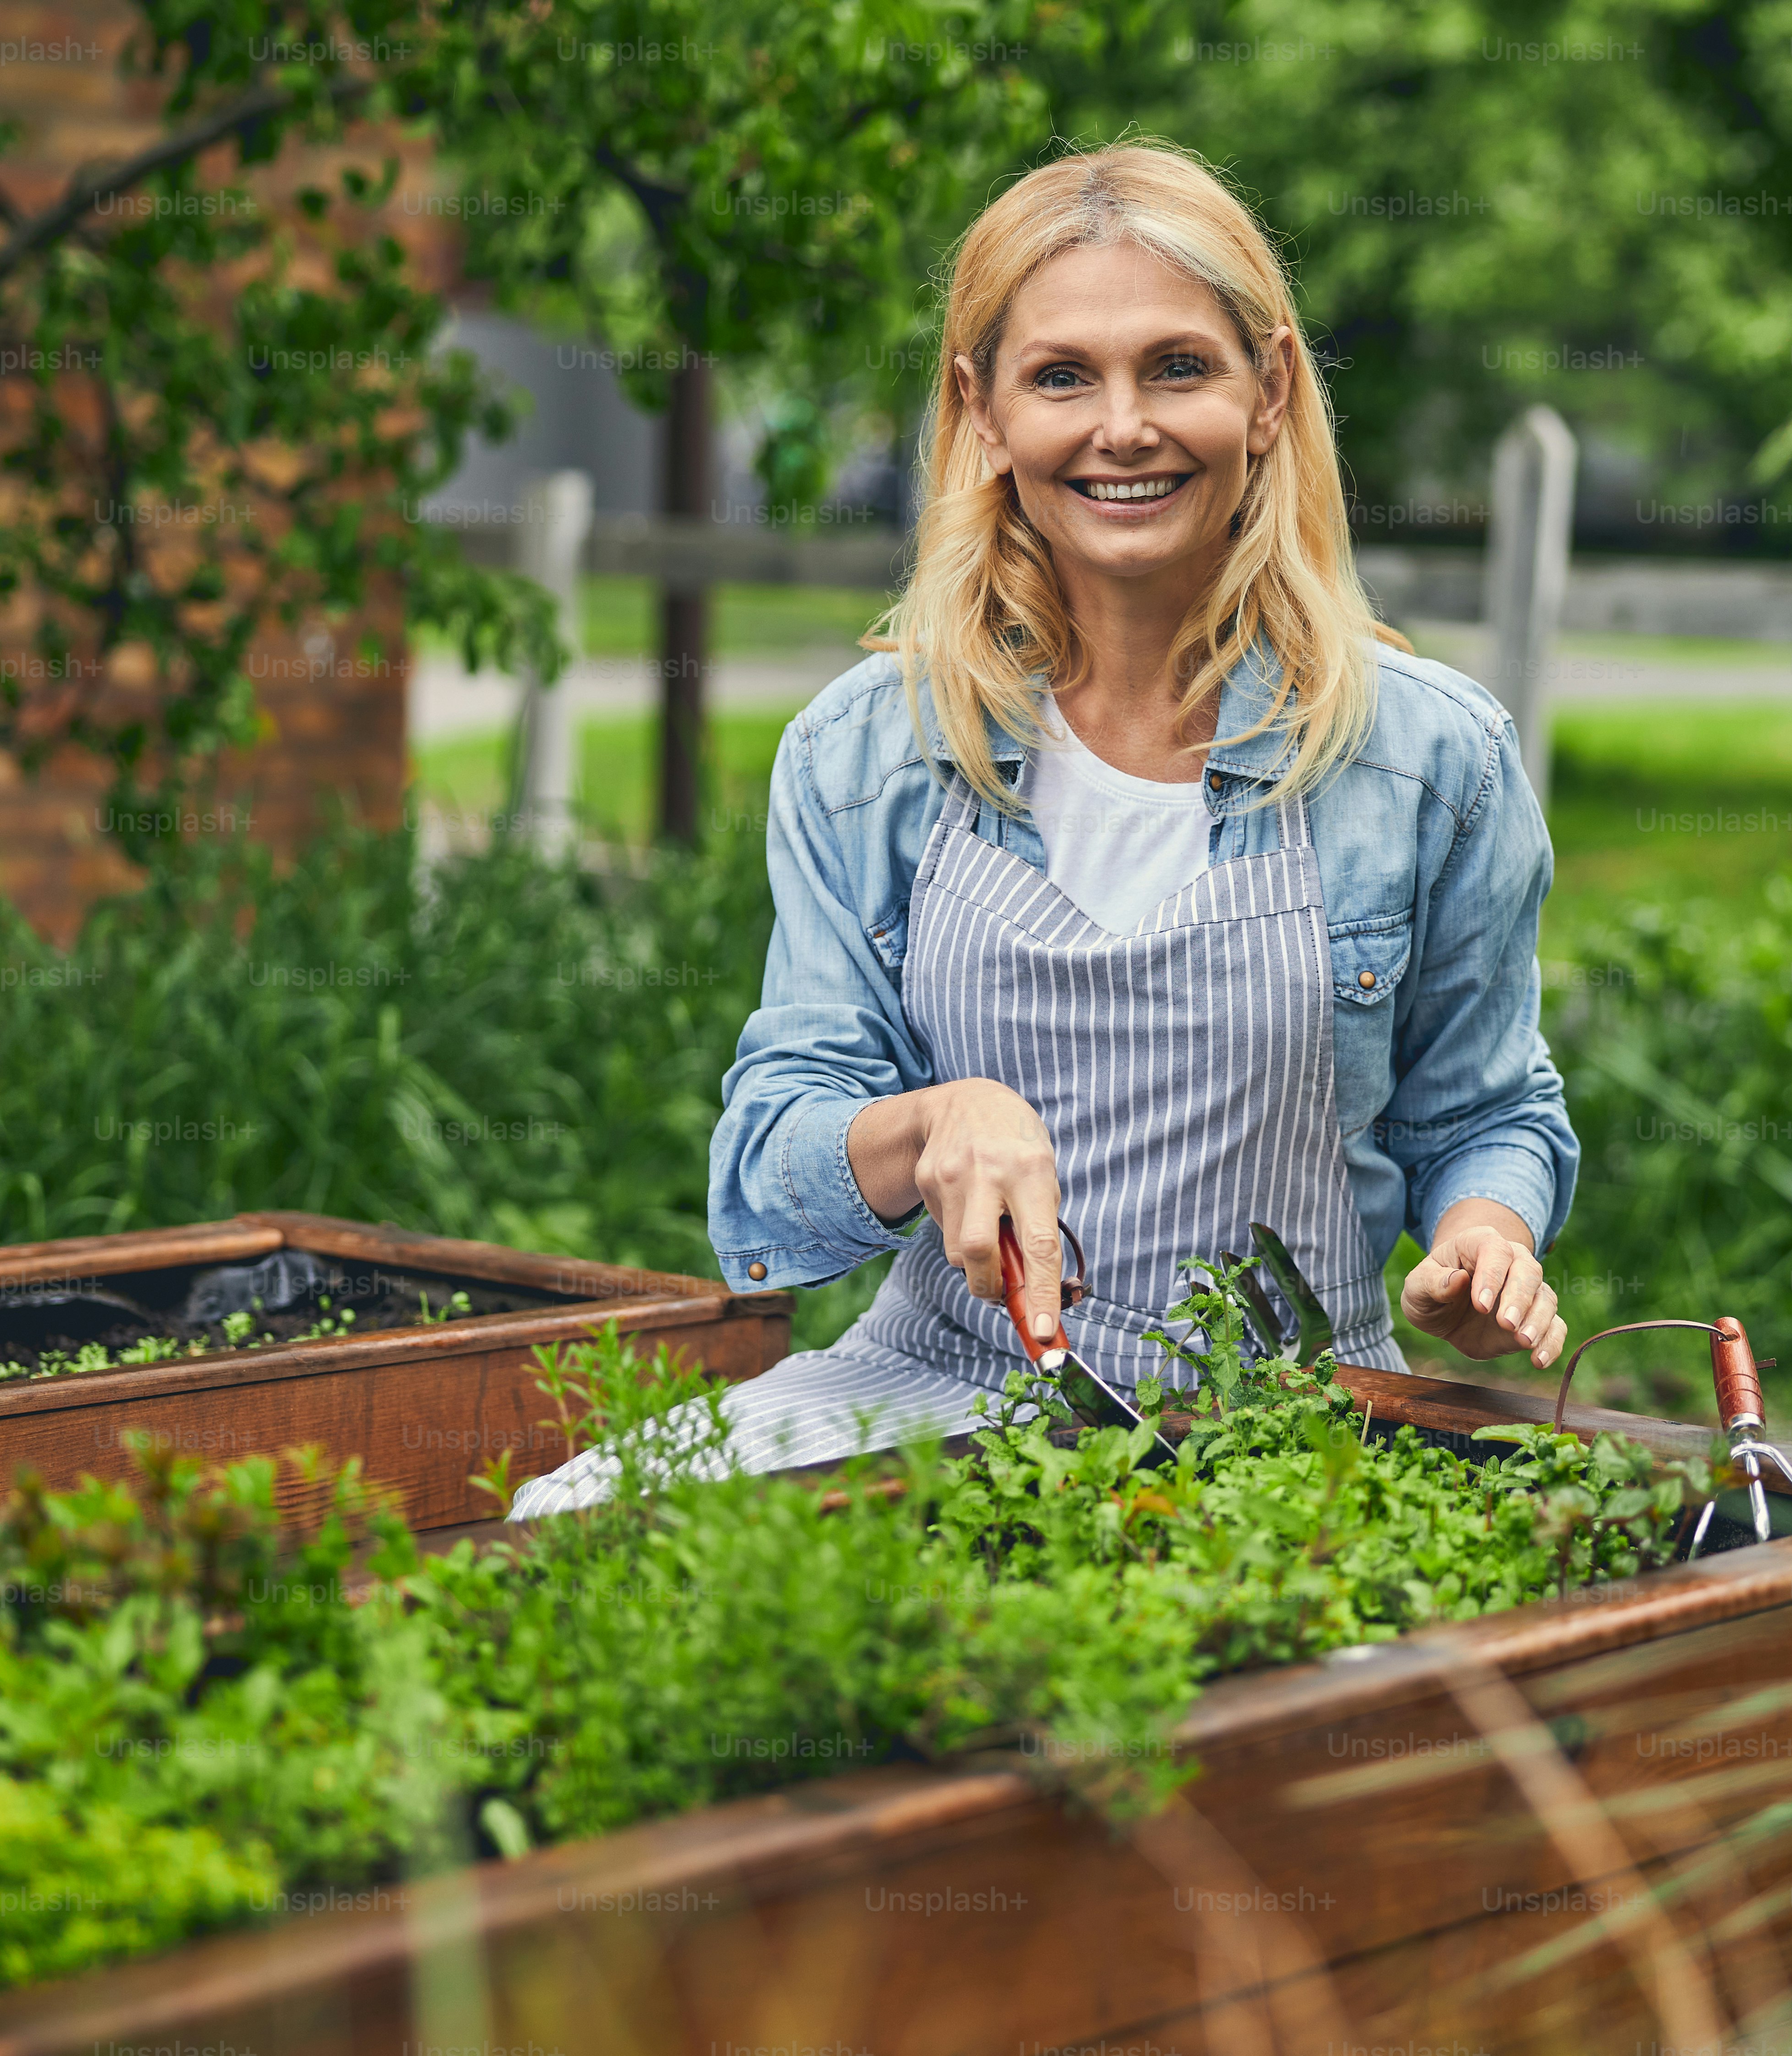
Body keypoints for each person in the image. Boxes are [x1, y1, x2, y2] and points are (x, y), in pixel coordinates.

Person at [512, 142, 1576, 1517]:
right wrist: (934, 1127)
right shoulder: (868, 753)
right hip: (939, 1392)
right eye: (1063, 375)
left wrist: (1486, 1238)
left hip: (1296, 1427)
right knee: (579, 1529)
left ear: (1272, 394)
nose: (1121, 427)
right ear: (985, 412)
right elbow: (772, 1162)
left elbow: (1487, 1110)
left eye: (1179, 368)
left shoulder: (1430, 758)